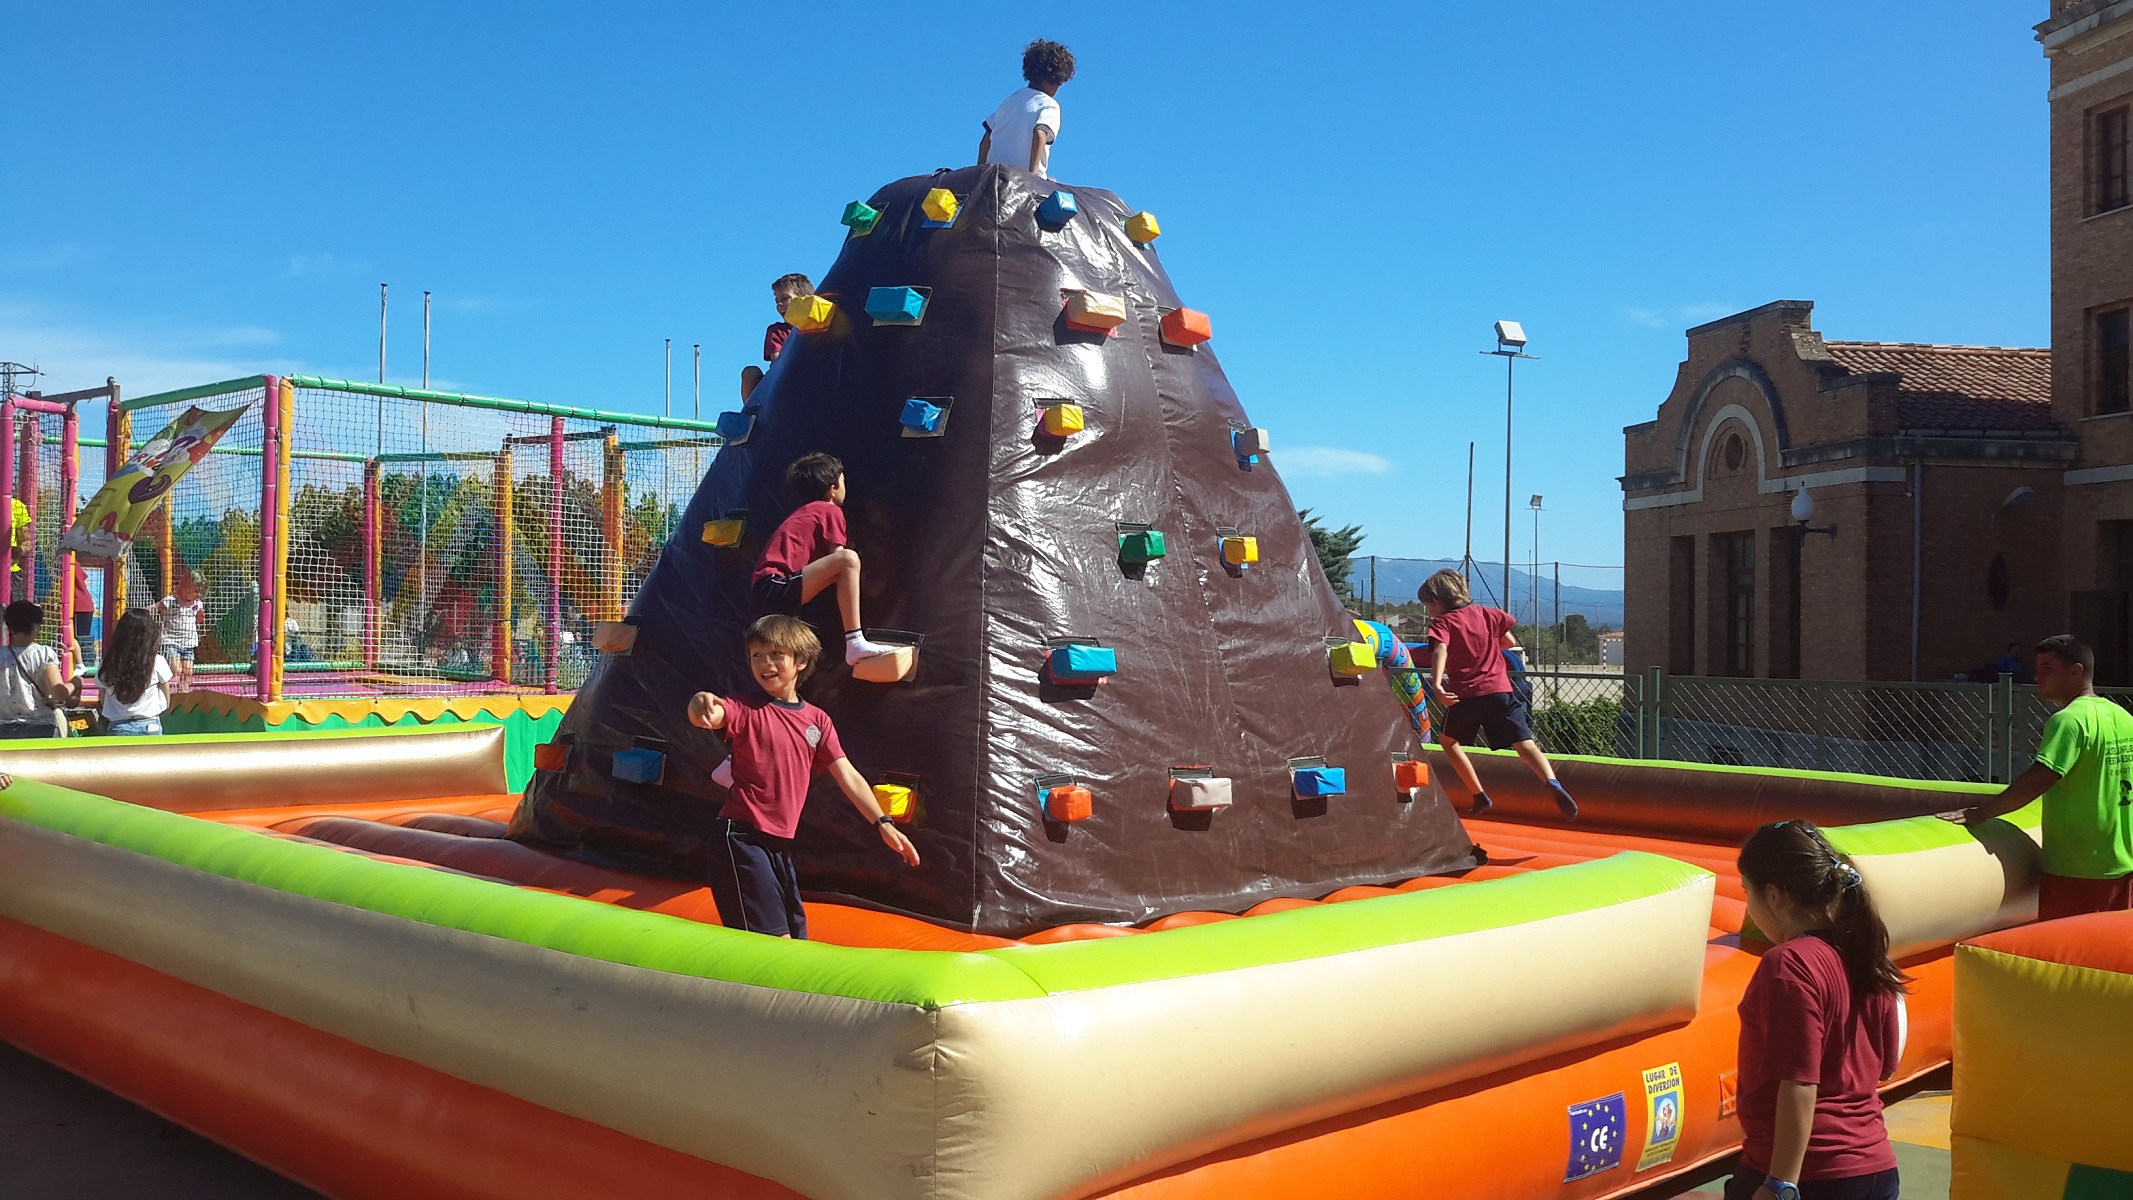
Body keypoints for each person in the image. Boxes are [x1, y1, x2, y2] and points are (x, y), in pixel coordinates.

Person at [686, 614, 920, 937]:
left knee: (797, 940)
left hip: (780, 848)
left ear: (800, 661)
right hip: (741, 839)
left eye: (775, 654)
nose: (765, 663)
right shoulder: (747, 708)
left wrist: (883, 823)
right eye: (756, 656)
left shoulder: (817, 721)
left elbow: (848, 776)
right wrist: (701, 705)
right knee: (773, 943)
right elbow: (713, 712)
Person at [1728, 820, 1907, 1200]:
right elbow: (1888, 1062)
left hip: (1812, 1173)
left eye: (1749, 893)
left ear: (1775, 896)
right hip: (1874, 1167)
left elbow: (1799, 1083)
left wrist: (1780, 1184)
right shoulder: (1865, 954)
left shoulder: (1790, 964)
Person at [1944, 634, 2133, 919]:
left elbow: (2039, 778)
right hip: (2121, 863)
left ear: (2076, 671)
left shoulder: (2068, 720)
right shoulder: (2122, 716)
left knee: (2065, 952)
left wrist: (1982, 813)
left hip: (2078, 867)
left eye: (2047, 668)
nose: (2037, 675)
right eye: (2037, 667)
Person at [1418, 568, 1578, 820]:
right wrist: (1486, 647)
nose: (1430, 612)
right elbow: (1508, 641)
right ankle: (1551, 780)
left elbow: (1440, 649)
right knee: (1525, 744)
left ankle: (1479, 793)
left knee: (1449, 742)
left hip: (1467, 695)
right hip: (1500, 691)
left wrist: (1437, 685)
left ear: (1436, 602)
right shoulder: (1487, 614)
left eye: (1428, 606)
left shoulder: (1443, 622)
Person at [752, 453, 893, 665]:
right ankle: (854, 640)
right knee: (848, 560)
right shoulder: (828, 510)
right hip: (775, 585)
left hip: (768, 590)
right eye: (843, 481)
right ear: (832, 488)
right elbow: (838, 558)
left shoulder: (806, 513)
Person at [976, 39, 1076, 178]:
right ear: (1053, 80)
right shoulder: (1049, 105)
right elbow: (1040, 134)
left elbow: (986, 138)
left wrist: (978, 173)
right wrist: (1032, 177)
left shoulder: (1011, 100)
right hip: (1021, 178)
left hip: (995, 175)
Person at [0, 601, 79, 739]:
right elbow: (59, 692)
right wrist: (76, 683)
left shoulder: (2, 656)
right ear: (36, 626)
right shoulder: (43, 654)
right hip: (40, 727)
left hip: (5, 728)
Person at [99, 607, 173, 736]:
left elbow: (102, 696)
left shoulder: (109, 662)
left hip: (118, 726)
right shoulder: (157, 661)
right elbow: (166, 694)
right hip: (150, 724)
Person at [741, 274, 815, 403]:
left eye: (785, 298)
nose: (779, 304)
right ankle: (751, 413)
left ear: (805, 299)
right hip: (781, 384)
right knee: (750, 372)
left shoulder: (819, 329)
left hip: (812, 379)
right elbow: (778, 362)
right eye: (776, 301)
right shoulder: (777, 331)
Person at [153, 572, 205, 693]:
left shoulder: (197, 604)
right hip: (172, 641)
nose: (198, 595)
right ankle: (167, 689)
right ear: (185, 587)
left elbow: (198, 621)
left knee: (188, 672)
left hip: (188, 643)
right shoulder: (171, 601)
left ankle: (184, 693)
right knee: (176, 669)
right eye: (195, 591)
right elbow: (157, 608)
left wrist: (201, 616)